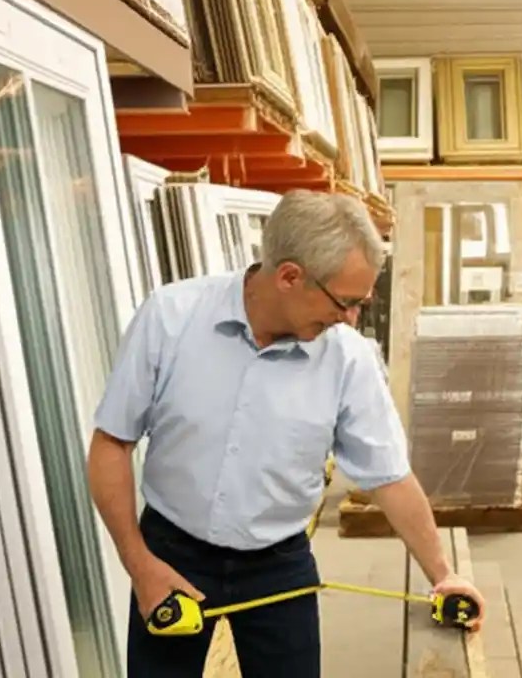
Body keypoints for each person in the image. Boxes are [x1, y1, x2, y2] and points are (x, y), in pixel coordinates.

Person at [87, 190, 483, 677]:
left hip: (278, 565)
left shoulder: (347, 358)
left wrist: (444, 575)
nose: (351, 318)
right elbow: (111, 443)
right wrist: (139, 565)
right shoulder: (171, 318)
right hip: (171, 554)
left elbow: (389, 477)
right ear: (290, 276)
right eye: (346, 302)